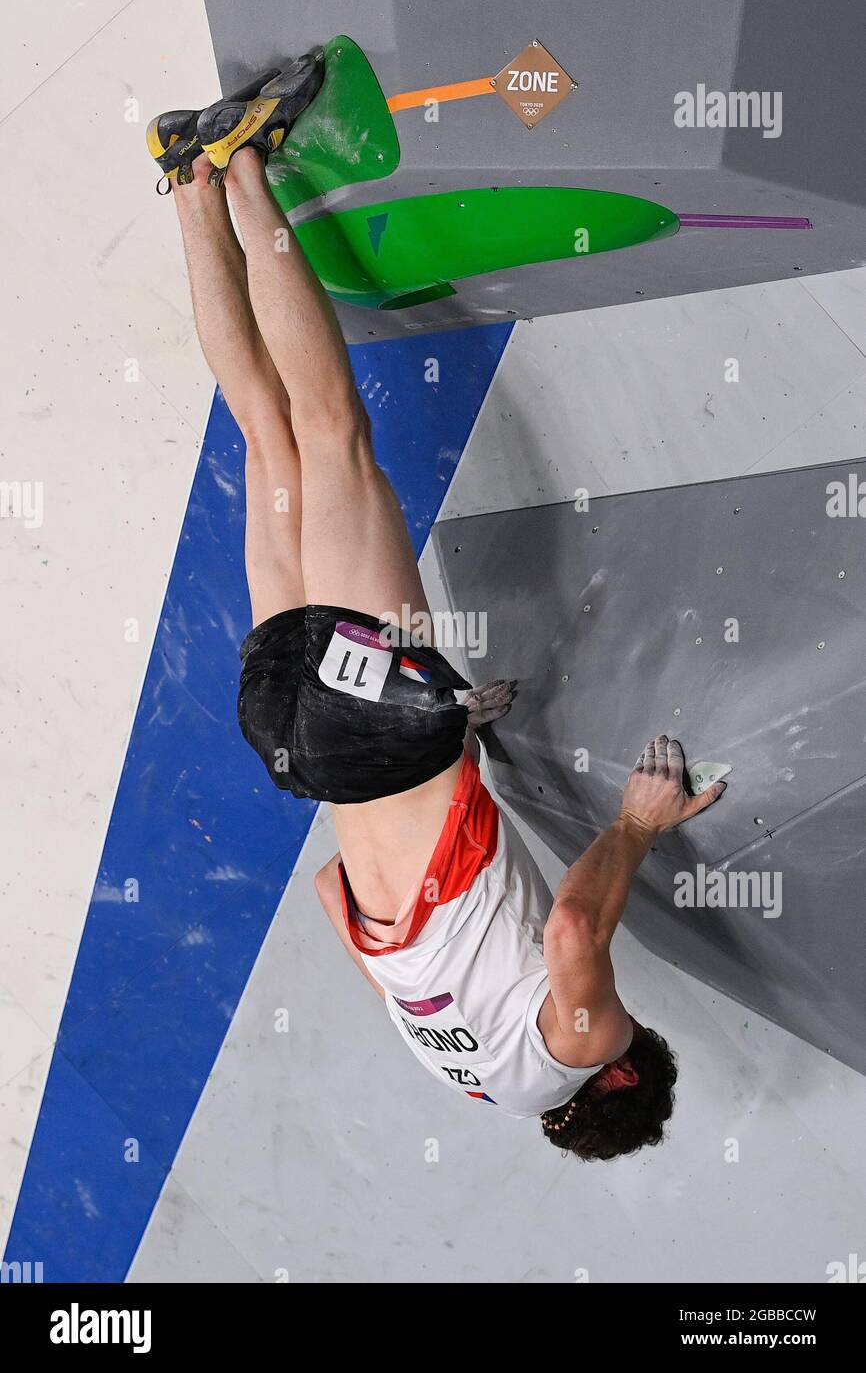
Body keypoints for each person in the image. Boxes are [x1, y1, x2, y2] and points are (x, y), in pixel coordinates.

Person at [150, 56, 727, 1160]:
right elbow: (335, 894)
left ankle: (245, 165)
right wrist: (443, 735)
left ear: (609, 1072)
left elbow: (567, 926)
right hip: (292, 742)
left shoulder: (575, 1042)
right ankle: (188, 179)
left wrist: (637, 826)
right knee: (269, 438)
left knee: (330, 436)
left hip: (377, 734)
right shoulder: (466, 1076)